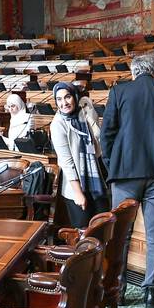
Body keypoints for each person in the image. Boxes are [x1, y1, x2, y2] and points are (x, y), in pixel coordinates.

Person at [100, 54, 154, 308]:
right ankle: (151, 290)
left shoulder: (119, 92)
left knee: (120, 234)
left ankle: (117, 291)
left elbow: (106, 134)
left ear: (133, 71)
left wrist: (111, 163)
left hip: (125, 172)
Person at [49, 82, 109, 228]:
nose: (64, 103)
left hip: (97, 181)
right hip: (76, 186)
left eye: (67, 97)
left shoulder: (85, 113)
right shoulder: (58, 124)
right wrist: (78, 193)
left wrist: (90, 113)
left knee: (104, 227)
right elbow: (66, 162)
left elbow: (99, 139)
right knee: (84, 233)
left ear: (75, 96)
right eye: (59, 99)